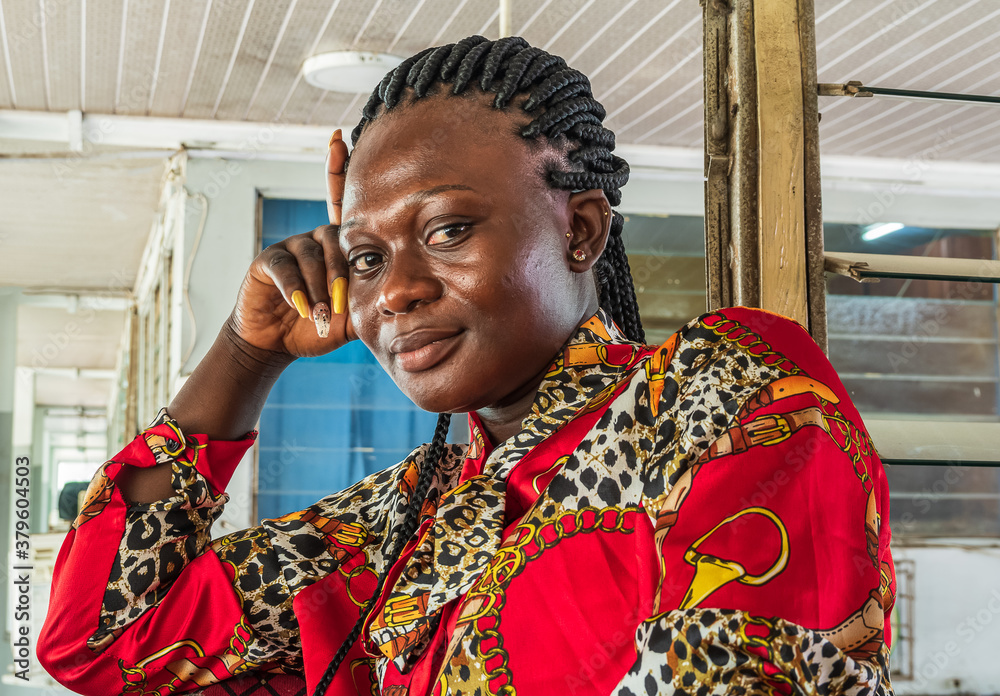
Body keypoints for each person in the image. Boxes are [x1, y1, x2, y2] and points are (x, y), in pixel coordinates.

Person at [38, 35, 895, 696]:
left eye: (448, 230)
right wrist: (244, 351)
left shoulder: (711, 391)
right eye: (366, 258)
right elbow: (104, 642)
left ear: (581, 230)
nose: (396, 292)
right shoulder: (415, 515)